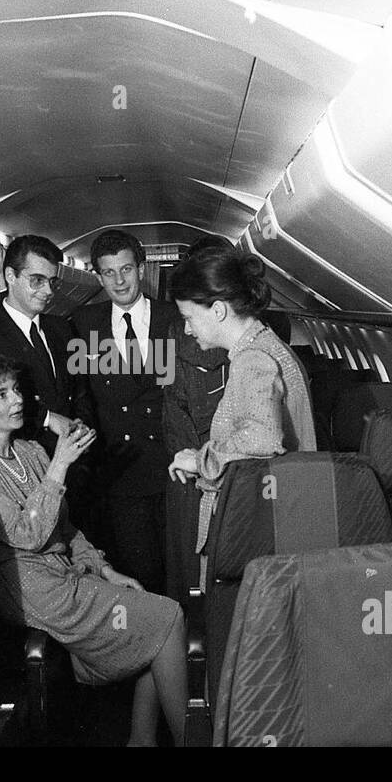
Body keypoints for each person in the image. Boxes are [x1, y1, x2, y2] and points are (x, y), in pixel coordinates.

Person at [0, 353, 188, 746]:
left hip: (62, 573)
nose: (17, 400)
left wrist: (104, 569)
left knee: (151, 617)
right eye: (1, 395)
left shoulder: (32, 453)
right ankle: (186, 740)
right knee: (170, 617)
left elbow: (65, 528)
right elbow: (27, 535)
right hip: (25, 586)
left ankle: (142, 741)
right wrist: (60, 466)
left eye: (16, 390)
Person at [166, 246, 317, 583]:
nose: (187, 330)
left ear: (218, 310)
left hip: (261, 530)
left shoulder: (252, 360)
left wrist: (200, 461)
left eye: (189, 317)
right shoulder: (267, 346)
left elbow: (262, 439)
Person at [70, 229, 179, 595]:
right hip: (118, 469)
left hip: (171, 464)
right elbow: (82, 394)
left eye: (127, 269)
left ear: (142, 269)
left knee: (177, 568)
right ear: (98, 276)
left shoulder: (173, 318)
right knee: (139, 571)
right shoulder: (84, 324)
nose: (119, 281)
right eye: (109, 273)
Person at [0, 234, 93, 454]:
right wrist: (46, 419)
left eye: (52, 281)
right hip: (17, 458)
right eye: (37, 280)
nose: (48, 291)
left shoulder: (62, 328)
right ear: (10, 275)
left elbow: (81, 390)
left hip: (73, 461)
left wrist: (80, 429)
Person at [162, 235, 232, 602]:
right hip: (193, 463)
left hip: (218, 465)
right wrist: (188, 459)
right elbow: (171, 406)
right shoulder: (174, 331)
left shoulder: (254, 349)